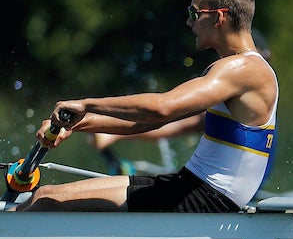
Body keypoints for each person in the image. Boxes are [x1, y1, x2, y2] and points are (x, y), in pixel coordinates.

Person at [21, 0, 277, 212]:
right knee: (43, 195)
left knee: (48, 202)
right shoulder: (234, 69)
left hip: (210, 197)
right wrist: (77, 123)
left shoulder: (244, 68)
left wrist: (86, 104)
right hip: (193, 185)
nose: (189, 22)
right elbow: (148, 122)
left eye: (194, 13)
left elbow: (162, 106)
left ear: (219, 18)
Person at [90, 29, 274, 176]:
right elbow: (173, 122)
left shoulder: (250, 91)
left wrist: (113, 134)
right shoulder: (263, 96)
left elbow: (170, 121)